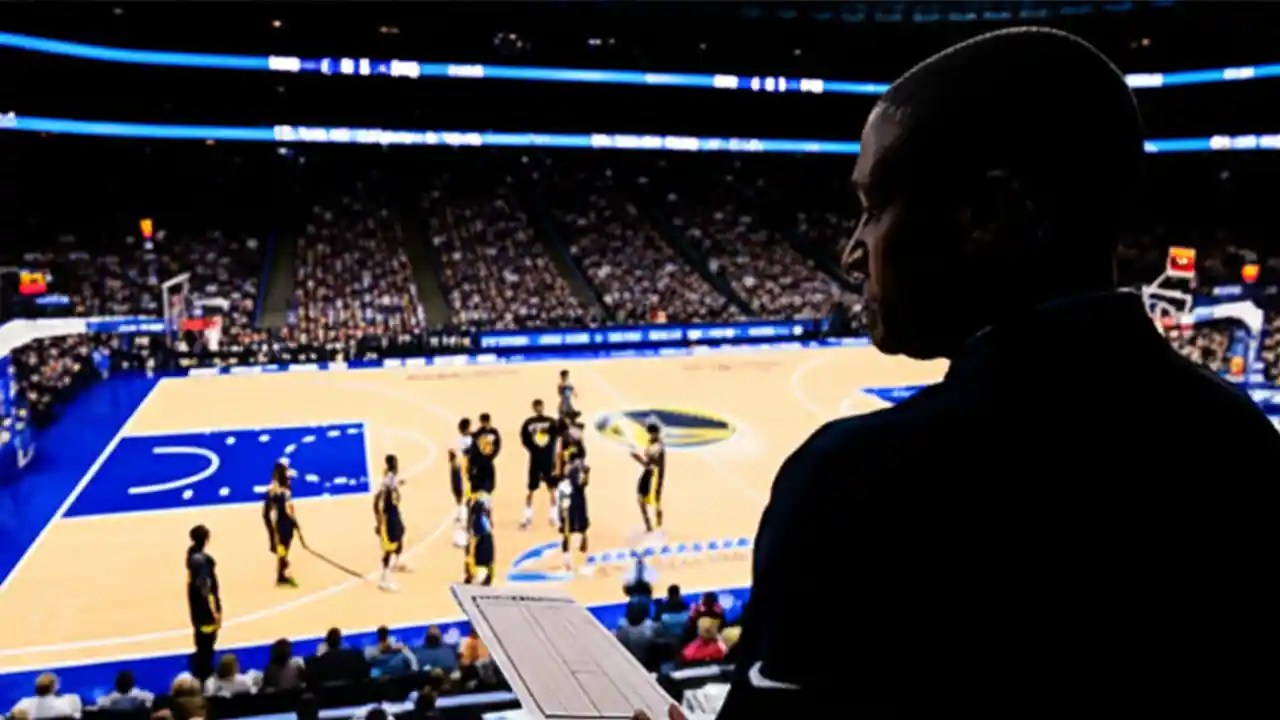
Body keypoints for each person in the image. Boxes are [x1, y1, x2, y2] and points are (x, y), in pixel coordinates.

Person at [709, 27, 1280, 720]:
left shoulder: (856, 482)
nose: (853, 252)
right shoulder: (1244, 444)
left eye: (873, 208)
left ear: (987, 215)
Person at [186, 524, 221, 682]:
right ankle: (204, 670)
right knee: (208, 638)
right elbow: (206, 586)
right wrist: (214, 609)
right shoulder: (203, 561)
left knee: (199, 631)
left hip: (194, 600)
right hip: (203, 604)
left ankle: (200, 659)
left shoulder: (191, 553)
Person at [520, 399, 560, 529]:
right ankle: (527, 517)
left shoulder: (551, 422)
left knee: (552, 489)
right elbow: (524, 440)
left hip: (548, 460)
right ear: (534, 408)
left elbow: (559, 433)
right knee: (531, 490)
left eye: (540, 406)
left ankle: (554, 516)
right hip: (537, 460)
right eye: (537, 407)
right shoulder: (529, 423)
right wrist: (534, 450)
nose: (539, 409)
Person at [556, 418, 590, 572]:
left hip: (567, 488)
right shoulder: (579, 454)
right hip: (576, 489)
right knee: (578, 517)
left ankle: (567, 558)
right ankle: (582, 539)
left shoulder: (564, 447)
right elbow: (584, 480)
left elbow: (559, 467)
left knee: (566, 522)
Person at [374, 454, 407, 592]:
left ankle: (396, 562)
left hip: (394, 513)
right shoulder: (386, 486)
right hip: (388, 518)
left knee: (401, 532)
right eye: (395, 463)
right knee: (388, 547)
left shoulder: (391, 480)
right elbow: (377, 502)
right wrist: (378, 521)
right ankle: (384, 579)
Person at [263, 461, 298, 587]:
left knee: (282, 546)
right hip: (284, 523)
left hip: (281, 523)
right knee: (283, 547)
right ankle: (281, 574)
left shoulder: (273, 489)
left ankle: (282, 562)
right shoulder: (281, 491)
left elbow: (267, 513)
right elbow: (288, 508)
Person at [630, 423, 665, 533]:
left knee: (651, 501)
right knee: (641, 499)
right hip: (649, 472)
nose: (649, 435)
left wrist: (638, 459)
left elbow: (655, 464)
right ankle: (649, 523)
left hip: (653, 475)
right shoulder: (652, 442)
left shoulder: (658, 447)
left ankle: (654, 520)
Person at [463, 492, 495, 585]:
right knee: (484, 552)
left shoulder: (477, 499)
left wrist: (469, 528)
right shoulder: (483, 497)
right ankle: (471, 574)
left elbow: (472, 515)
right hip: (482, 527)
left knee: (472, 551)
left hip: (480, 528)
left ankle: (470, 575)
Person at [468, 413, 501, 497]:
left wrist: (491, 456)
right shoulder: (479, 433)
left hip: (485, 463)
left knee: (488, 487)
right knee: (482, 487)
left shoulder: (488, 432)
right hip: (482, 464)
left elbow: (497, 446)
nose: (484, 423)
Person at [449, 418, 472, 525]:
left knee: (458, 492)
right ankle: (465, 514)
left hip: (458, 468)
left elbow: (451, 455)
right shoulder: (472, 440)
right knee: (465, 492)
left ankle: (460, 514)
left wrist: (453, 464)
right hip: (466, 469)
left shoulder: (456, 440)